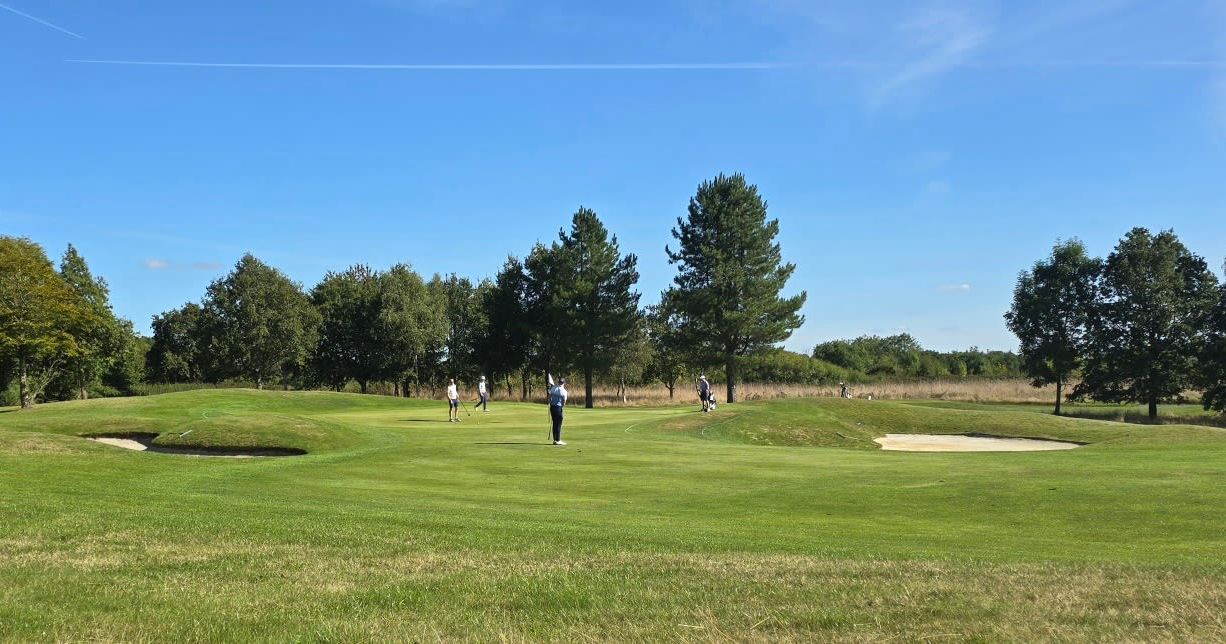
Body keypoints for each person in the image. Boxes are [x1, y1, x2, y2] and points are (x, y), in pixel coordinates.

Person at [547, 373, 568, 445]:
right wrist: (562, 407)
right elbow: (564, 402)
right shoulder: (564, 391)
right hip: (558, 408)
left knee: (554, 423)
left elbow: (549, 397)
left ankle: (555, 440)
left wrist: (549, 402)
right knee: (558, 424)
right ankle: (558, 440)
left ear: (558, 382)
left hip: (552, 407)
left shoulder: (553, 388)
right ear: (563, 383)